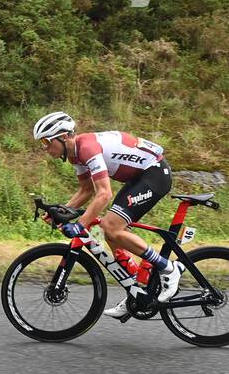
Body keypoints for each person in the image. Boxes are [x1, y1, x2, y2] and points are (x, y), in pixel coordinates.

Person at [33, 111, 183, 316]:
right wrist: (60, 212)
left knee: (109, 226)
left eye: (47, 141)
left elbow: (103, 193)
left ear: (64, 136)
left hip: (154, 173)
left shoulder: (86, 148)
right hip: (139, 178)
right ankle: (137, 290)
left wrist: (80, 225)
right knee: (109, 226)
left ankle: (167, 268)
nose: (45, 148)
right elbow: (86, 190)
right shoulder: (75, 155)